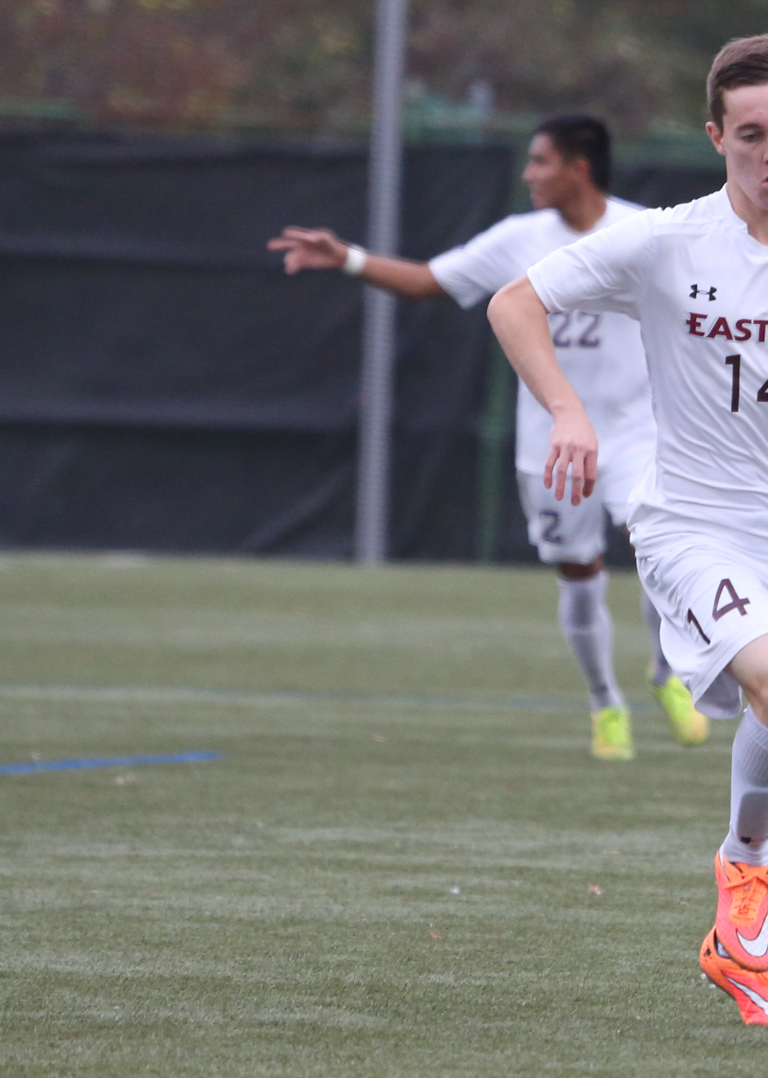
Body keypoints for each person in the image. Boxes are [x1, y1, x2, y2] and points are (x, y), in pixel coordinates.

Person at [486, 35, 768, 1026]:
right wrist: (568, 410)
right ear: (717, 138)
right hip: (688, 519)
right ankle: (741, 875)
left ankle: (743, 950)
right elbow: (513, 303)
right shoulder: (667, 240)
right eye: (751, 137)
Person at [267, 115, 707, 762]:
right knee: (579, 576)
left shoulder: (646, 232)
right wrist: (348, 258)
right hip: (551, 444)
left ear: (578, 168)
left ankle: (668, 678)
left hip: (639, 436)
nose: (528, 174)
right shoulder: (518, 239)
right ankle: (604, 703)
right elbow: (428, 283)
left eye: (540, 161)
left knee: (664, 561)